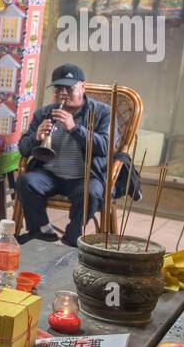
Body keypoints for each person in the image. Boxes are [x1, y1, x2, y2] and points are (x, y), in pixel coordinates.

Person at [16, 63, 115, 246]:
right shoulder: (44, 113)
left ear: (82, 87)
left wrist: (75, 128)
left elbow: (107, 147)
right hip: (50, 174)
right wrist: (36, 138)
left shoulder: (102, 113)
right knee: (25, 182)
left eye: (69, 88)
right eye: (58, 88)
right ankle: (41, 231)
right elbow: (23, 148)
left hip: (84, 176)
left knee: (91, 192)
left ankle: (72, 239)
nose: (63, 93)